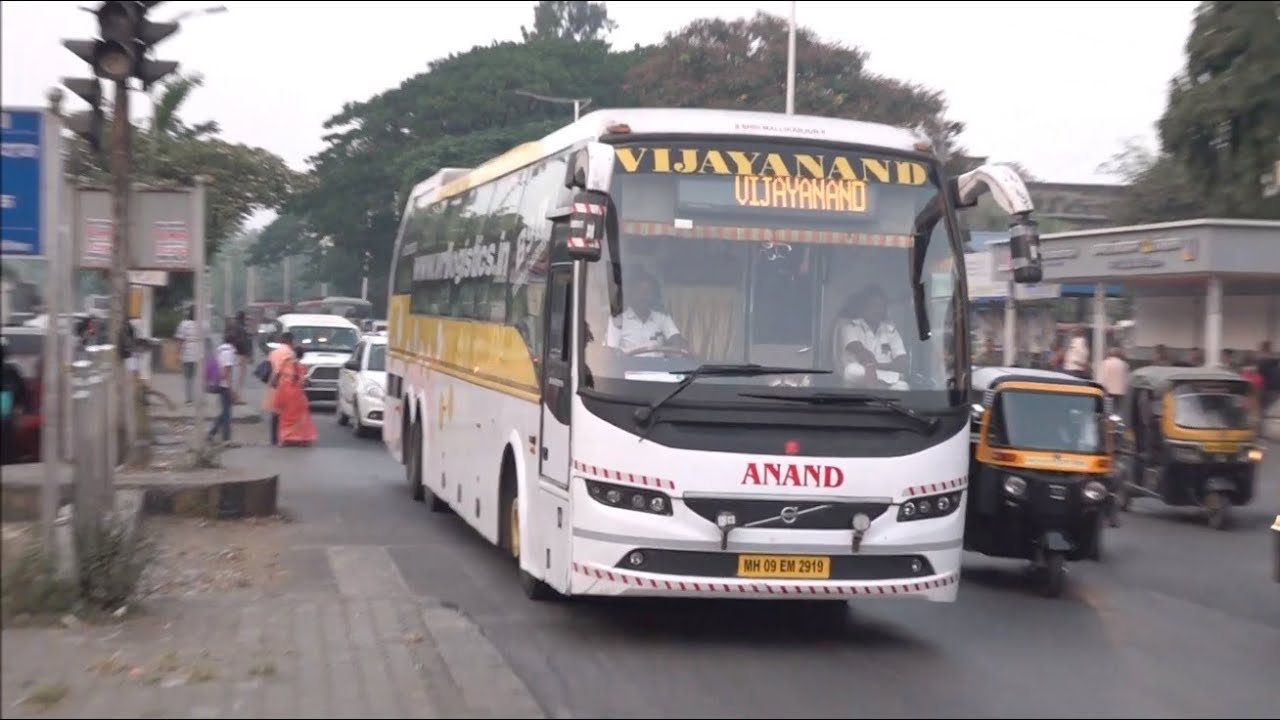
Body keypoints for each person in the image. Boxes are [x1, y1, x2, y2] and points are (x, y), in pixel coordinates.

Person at [836, 285, 908, 390]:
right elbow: (862, 353)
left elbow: (903, 362)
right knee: (852, 370)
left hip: (885, 376)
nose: (877, 310)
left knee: (903, 387)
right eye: (874, 306)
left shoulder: (890, 330)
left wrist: (879, 367)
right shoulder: (850, 326)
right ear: (864, 307)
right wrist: (874, 367)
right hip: (860, 377)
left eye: (881, 306)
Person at [605, 271, 688, 355]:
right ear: (631, 295)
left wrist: (680, 346)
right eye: (640, 293)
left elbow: (676, 340)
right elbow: (611, 351)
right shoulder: (617, 320)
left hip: (659, 367)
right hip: (629, 367)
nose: (644, 297)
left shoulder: (662, 318)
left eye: (647, 293)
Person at [272, 343, 317, 447]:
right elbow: (301, 381)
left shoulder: (285, 362)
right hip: (295, 394)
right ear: (302, 356)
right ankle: (300, 438)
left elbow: (277, 375)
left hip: (283, 391)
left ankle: (286, 438)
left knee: (285, 416)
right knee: (300, 416)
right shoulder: (300, 366)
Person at [263, 332, 296, 446]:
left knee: (275, 413)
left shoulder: (274, 353)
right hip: (285, 384)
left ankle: (273, 439)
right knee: (286, 413)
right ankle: (285, 437)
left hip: (274, 385)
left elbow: (270, 367)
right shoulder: (290, 353)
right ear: (291, 341)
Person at [1, 344, 31, 465]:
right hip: (9, 410)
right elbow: (23, 392)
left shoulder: (11, 371)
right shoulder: (12, 370)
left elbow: (22, 392)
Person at [207, 330, 237, 445]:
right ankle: (226, 439)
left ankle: (212, 432)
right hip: (224, 386)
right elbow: (226, 372)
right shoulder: (229, 352)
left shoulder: (220, 350)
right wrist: (231, 389)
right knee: (227, 413)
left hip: (218, 383)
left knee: (225, 411)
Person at [174, 307, 201, 403]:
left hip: (187, 353)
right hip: (199, 354)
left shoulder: (183, 324)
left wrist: (178, 354)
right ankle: (198, 397)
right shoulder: (203, 324)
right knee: (197, 376)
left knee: (188, 376)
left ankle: (189, 398)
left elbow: (180, 340)